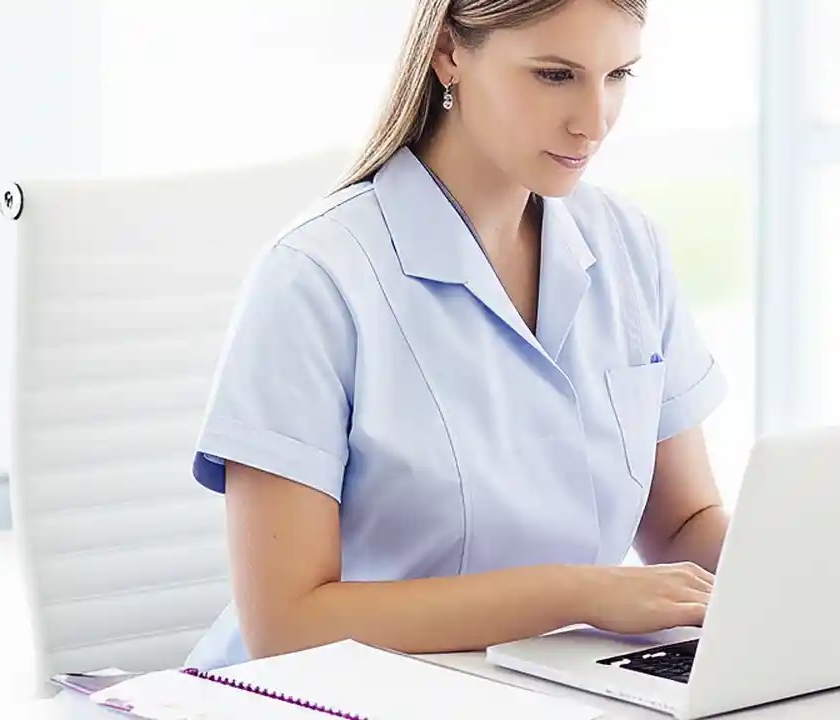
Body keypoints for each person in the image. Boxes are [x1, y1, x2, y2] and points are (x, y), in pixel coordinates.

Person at [185, 0, 731, 670]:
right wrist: (577, 593)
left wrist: (818, 570)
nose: (594, 123)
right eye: (555, 75)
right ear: (449, 52)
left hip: (531, 686)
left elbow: (681, 524)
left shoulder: (629, 246)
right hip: (321, 693)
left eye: (618, 75)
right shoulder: (316, 277)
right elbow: (287, 624)